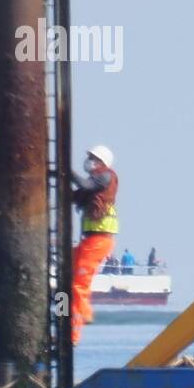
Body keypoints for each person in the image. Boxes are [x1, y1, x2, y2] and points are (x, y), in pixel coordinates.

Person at [70, 145, 118, 345]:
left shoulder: (106, 176)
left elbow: (86, 186)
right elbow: (77, 193)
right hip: (89, 240)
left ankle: (73, 333)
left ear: (102, 161)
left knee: (77, 285)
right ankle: (83, 312)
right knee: (68, 277)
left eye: (93, 158)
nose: (89, 161)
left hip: (99, 240)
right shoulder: (93, 182)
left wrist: (66, 171)